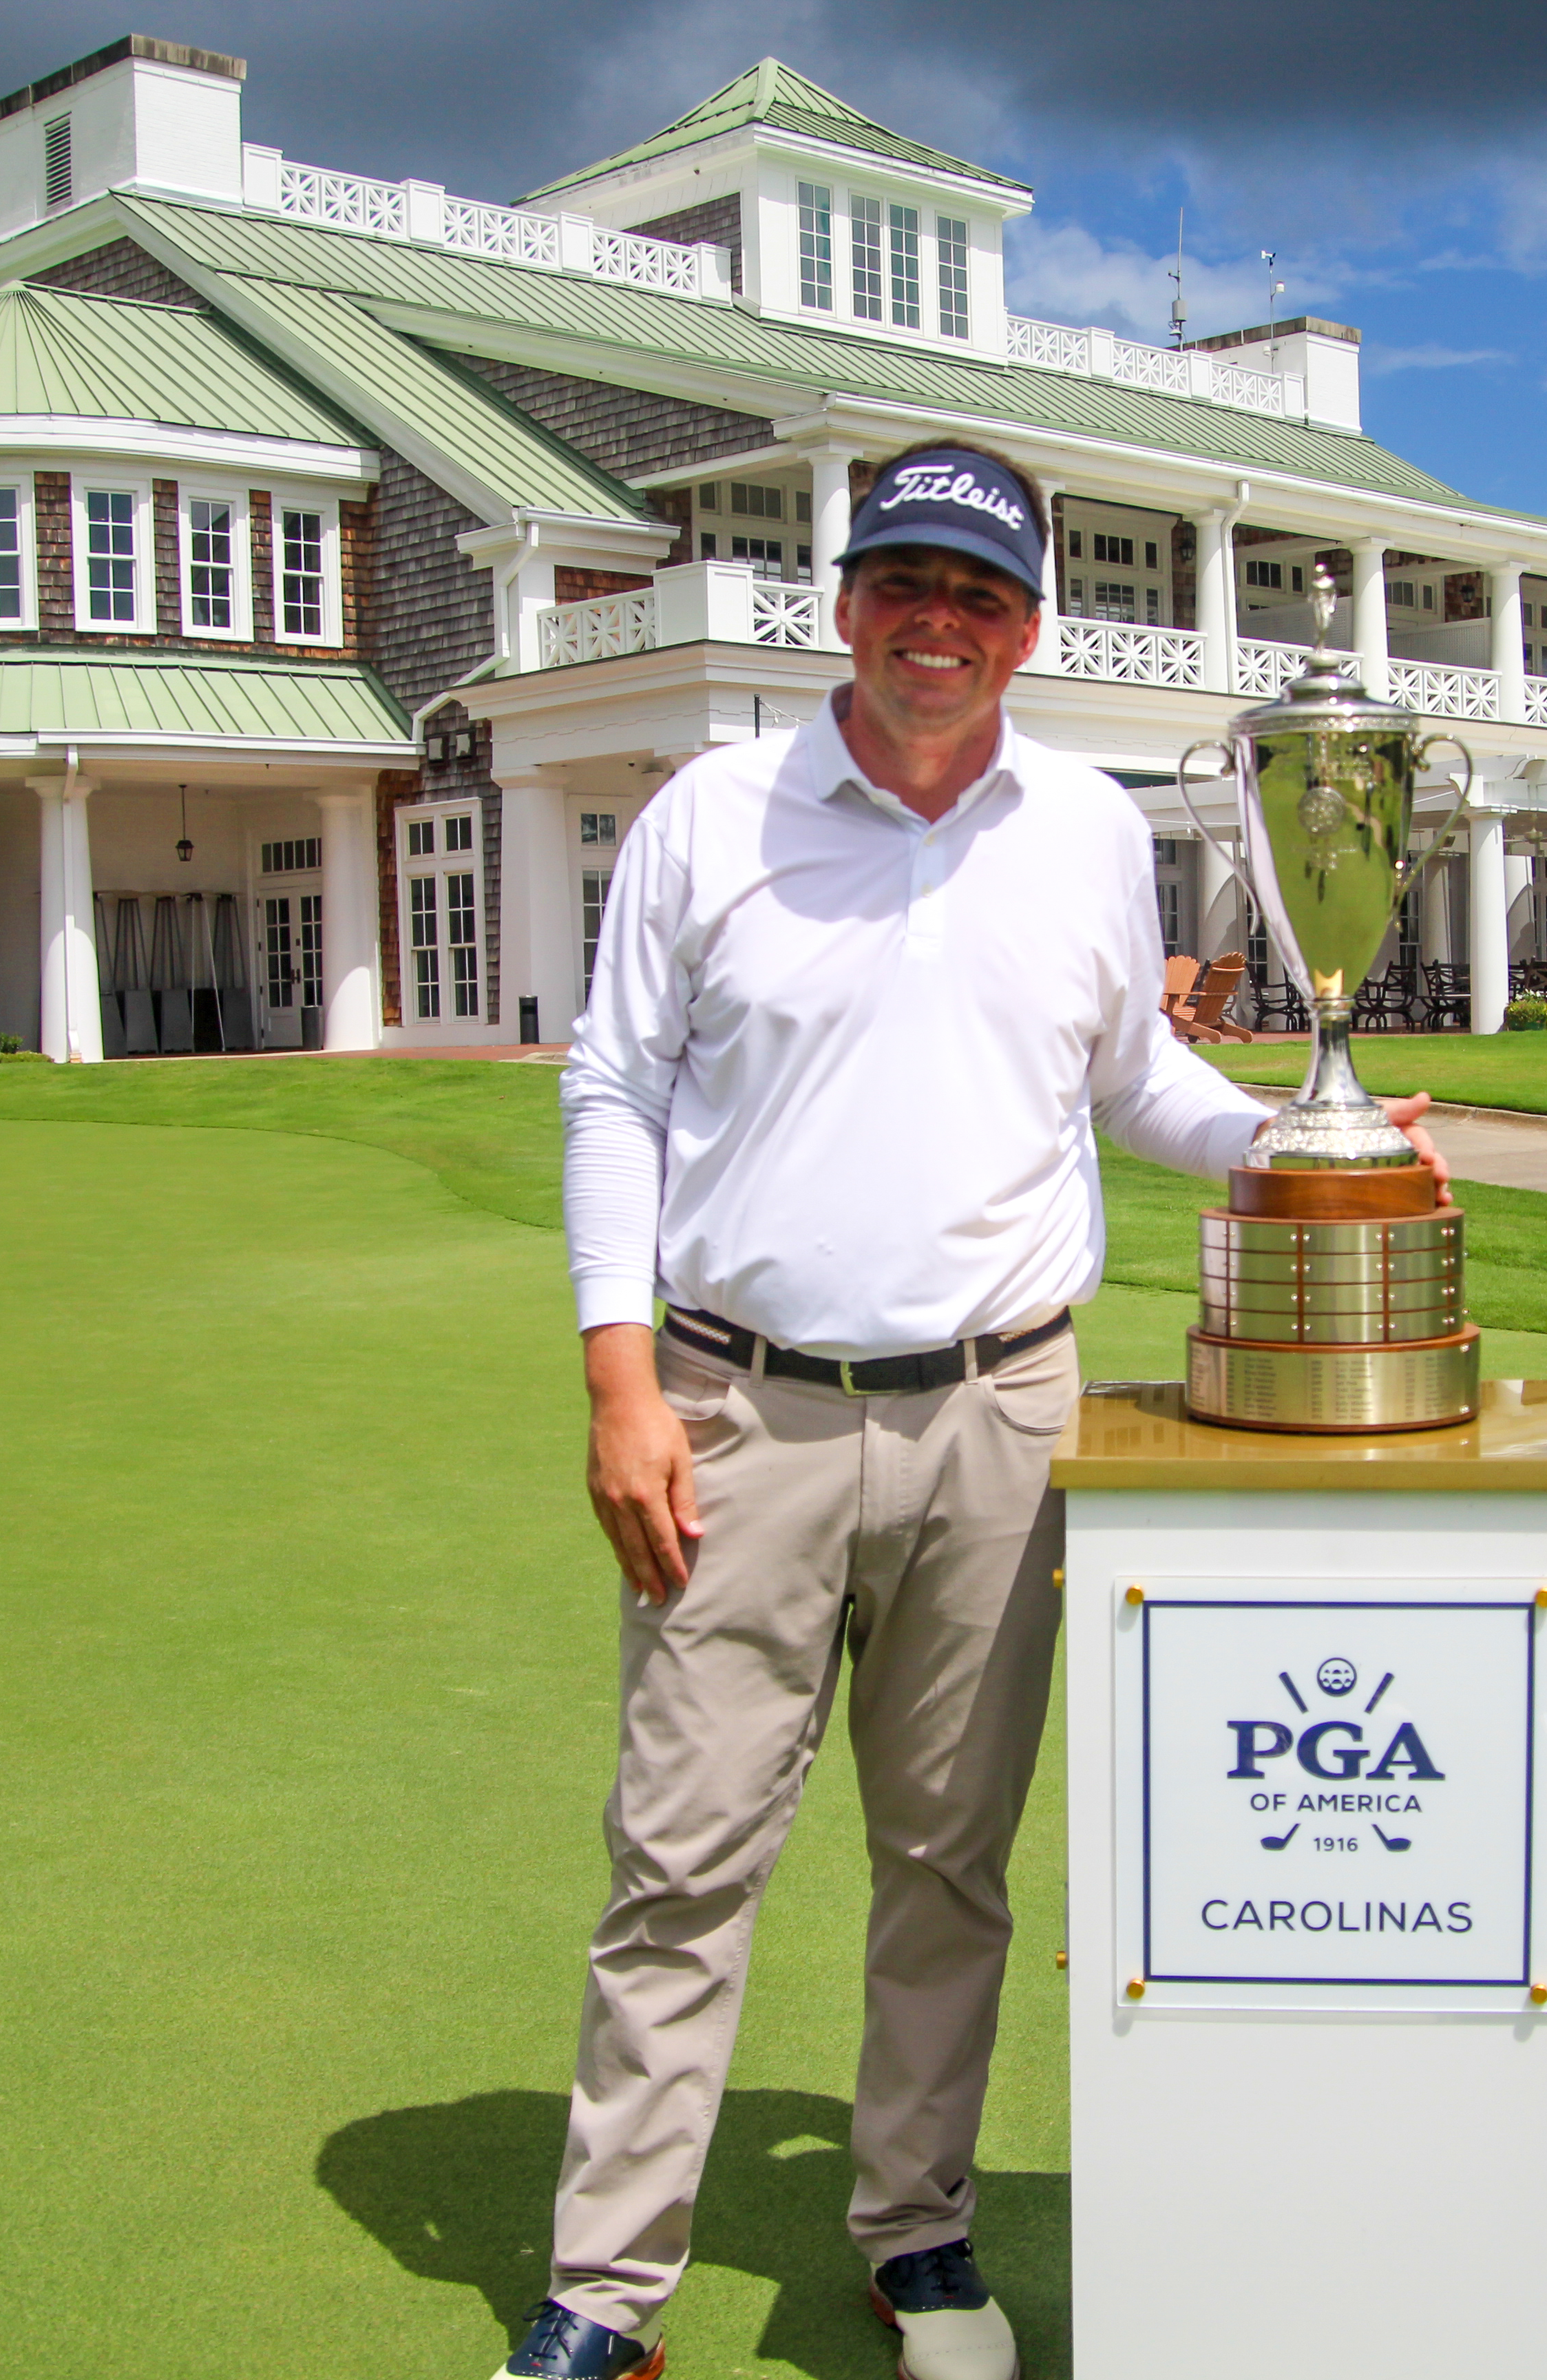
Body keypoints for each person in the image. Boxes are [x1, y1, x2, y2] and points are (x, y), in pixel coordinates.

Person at [511, 443, 1444, 2380]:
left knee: (950, 1861)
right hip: (739, 1407)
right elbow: (613, 1088)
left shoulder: (1089, 827)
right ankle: (607, 2291)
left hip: (1002, 1421)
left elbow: (1134, 1077)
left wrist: (1295, 1143)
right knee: (682, 1860)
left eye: (984, 595)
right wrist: (618, 1375)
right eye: (904, 584)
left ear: (1032, 628)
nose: (940, 625)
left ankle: (916, 2230)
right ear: (844, 602)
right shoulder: (710, 814)